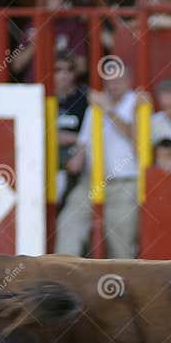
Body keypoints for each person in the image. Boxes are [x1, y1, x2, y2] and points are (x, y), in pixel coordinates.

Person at [56, 62, 140, 258]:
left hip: (124, 183)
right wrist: (77, 158)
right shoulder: (96, 105)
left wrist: (109, 110)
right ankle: (63, 273)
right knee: (68, 225)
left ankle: (120, 278)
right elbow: (85, 141)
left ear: (129, 80)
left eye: (119, 79)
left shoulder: (137, 102)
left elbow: (138, 140)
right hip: (91, 181)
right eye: (109, 80)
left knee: (122, 244)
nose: (114, 84)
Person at [10, 0, 88, 81]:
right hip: (35, 85)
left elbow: (82, 67)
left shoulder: (75, 27)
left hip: (62, 87)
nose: (60, 1)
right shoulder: (32, 26)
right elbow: (16, 66)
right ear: (44, 1)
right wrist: (35, 44)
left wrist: (59, 52)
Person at [54, 52, 88, 211]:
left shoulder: (84, 99)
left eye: (69, 70)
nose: (64, 75)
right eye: (58, 70)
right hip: (46, 155)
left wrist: (74, 139)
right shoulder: (39, 96)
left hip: (75, 155)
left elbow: (92, 133)